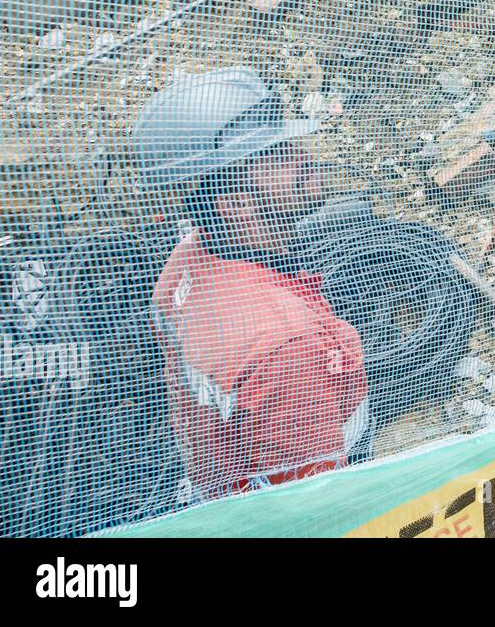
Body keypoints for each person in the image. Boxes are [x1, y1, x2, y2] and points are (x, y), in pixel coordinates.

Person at [133, 67, 368, 500]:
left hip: (223, 488)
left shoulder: (186, 260)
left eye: (289, 143)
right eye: (278, 157)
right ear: (237, 205)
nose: (304, 157)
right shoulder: (286, 348)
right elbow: (320, 506)